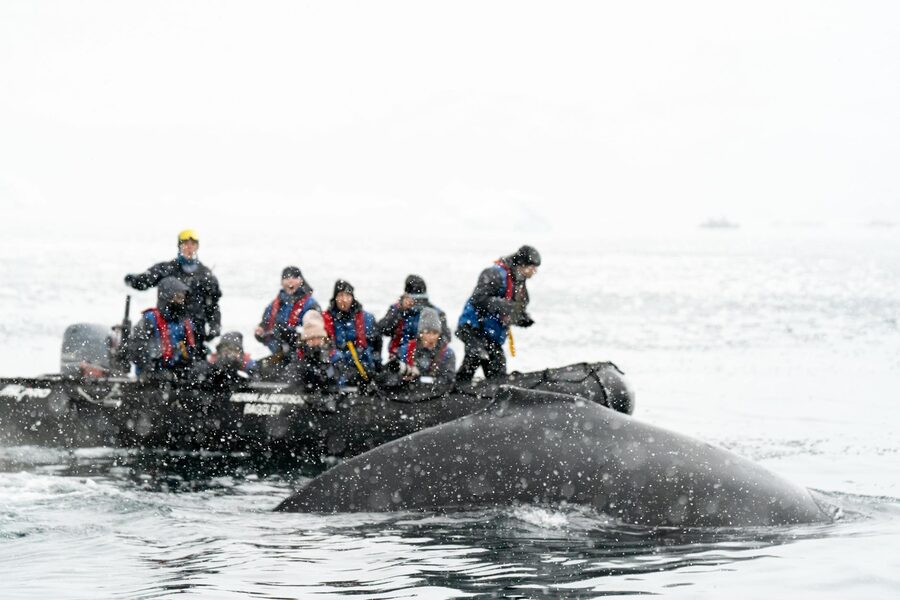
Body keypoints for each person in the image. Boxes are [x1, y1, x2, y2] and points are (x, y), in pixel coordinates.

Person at [455, 245, 540, 382]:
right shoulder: (493, 274)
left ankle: (477, 394)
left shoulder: (519, 284)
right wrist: (507, 307)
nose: (534, 271)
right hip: (473, 328)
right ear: (521, 264)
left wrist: (521, 318)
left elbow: (513, 311)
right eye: (532, 267)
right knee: (474, 358)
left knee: (498, 374)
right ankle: (454, 394)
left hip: (492, 335)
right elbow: (479, 299)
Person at [124, 229, 222, 346]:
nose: (189, 248)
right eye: (185, 244)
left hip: (195, 331)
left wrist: (214, 325)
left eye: (193, 244)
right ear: (179, 246)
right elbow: (147, 280)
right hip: (169, 329)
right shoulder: (168, 269)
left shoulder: (206, 275)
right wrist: (135, 280)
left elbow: (213, 306)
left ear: (197, 247)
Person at [130, 277, 204, 381]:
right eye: (178, 297)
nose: (181, 302)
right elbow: (136, 349)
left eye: (183, 298)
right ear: (167, 297)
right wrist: (151, 367)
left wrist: (186, 365)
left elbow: (192, 350)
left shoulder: (186, 322)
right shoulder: (150, 319)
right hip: (150, 375)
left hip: (178, 374)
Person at [376, 274, 450, 359]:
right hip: (399, 361)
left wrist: (425, 350)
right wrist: (400, 311)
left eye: (421, 300)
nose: (418, 304)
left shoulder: (436, 314)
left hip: (428, 360)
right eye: (414, 300)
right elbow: (382, 329)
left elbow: (446, 338)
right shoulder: (397, 309)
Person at [254, 266, 321, 359]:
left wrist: (290, 333)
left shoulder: (310, 304)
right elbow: (265, 323)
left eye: (294, 277)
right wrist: (261, 330)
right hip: (279, 353)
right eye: (286, 278)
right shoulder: (275, 303)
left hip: (303, 356)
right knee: (257, 370)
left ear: (301, 281)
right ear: (282, 282)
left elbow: (315, 331)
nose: (290, 281)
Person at [322, 280, 380, 386]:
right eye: (340, 295)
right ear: (335, 298)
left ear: (353, 298)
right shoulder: (325, 319)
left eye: (348, 296)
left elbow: (376, 346)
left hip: (360, 367)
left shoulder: (367, 318)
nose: (344, 300)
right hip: (335, 368)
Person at [387, 307, 456, 392]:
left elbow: (448, 381)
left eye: (435, 333)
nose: (431, 337)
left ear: (439, 334)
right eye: (427, 332)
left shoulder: (447, 353)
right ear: (420, 333)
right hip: (408, 396)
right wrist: (403, 379)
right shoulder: (406, 349)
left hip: (435, 396)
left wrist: (421, 380)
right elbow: (391, 376)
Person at [294, 310, 338, 392]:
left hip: (330, 397)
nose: (315, 342)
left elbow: (339, 379)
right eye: (310, 339)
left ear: (324, 339)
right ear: (305, 341)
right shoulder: (299, 356)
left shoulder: (334, 355)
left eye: (318, 338)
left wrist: (327, 369)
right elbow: (295, 381)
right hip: (307, 396)